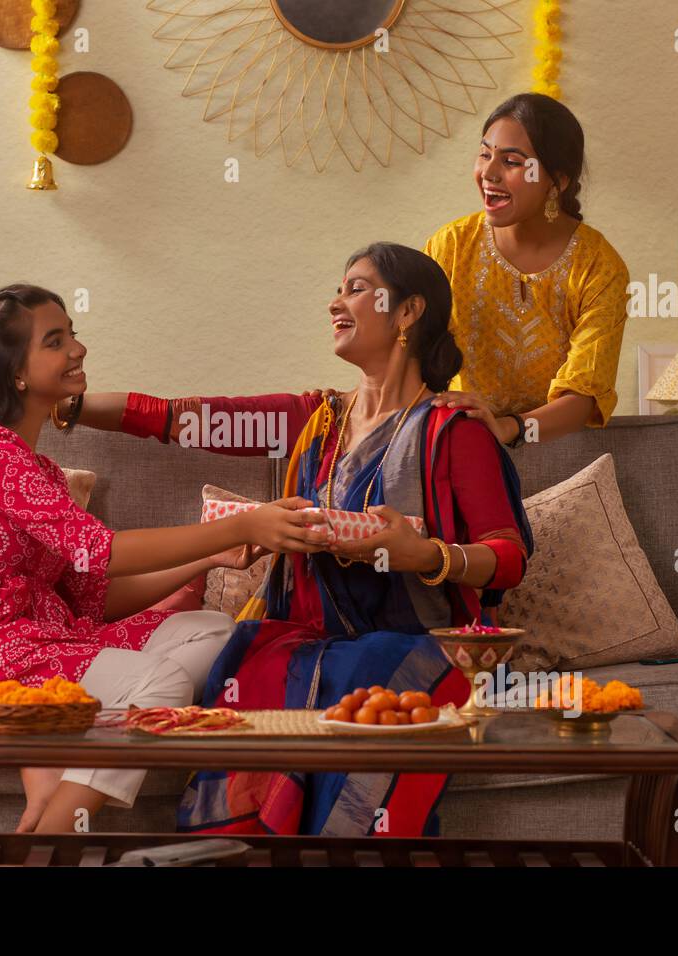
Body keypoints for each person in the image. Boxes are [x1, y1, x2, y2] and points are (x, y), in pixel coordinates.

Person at [65, 245, 533, 836]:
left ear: (408, 311)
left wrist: (422, 554)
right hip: (303, 634)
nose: (336, 302)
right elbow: (180, 417)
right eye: (340, 289)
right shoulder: (314, 418)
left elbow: (509, 559)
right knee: (252, 655)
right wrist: (64, 405)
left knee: (369, 668)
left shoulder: (454, 429)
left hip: (415, 640)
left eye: (357, 289)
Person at [0, 283, 331, 833]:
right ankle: (50, 839)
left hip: (47, 641)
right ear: (16, 374)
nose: (77, 350)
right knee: (164, 686)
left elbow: (95, 598)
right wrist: (244, 523)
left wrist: (213, 556)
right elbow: (100, 553)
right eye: (55, 341)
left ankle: (56, 759)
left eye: (72, 335)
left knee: (214, 630)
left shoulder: (39, 468)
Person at [422, 92, 631, 447]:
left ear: (558, 181)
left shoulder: (598, 266)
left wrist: (508, 427)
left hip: (554, 450)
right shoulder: (452, 247)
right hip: (458, 442)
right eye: (485, 154)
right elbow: (406, 354)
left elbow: (584, 396)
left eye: (512, 162)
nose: (488, 172)